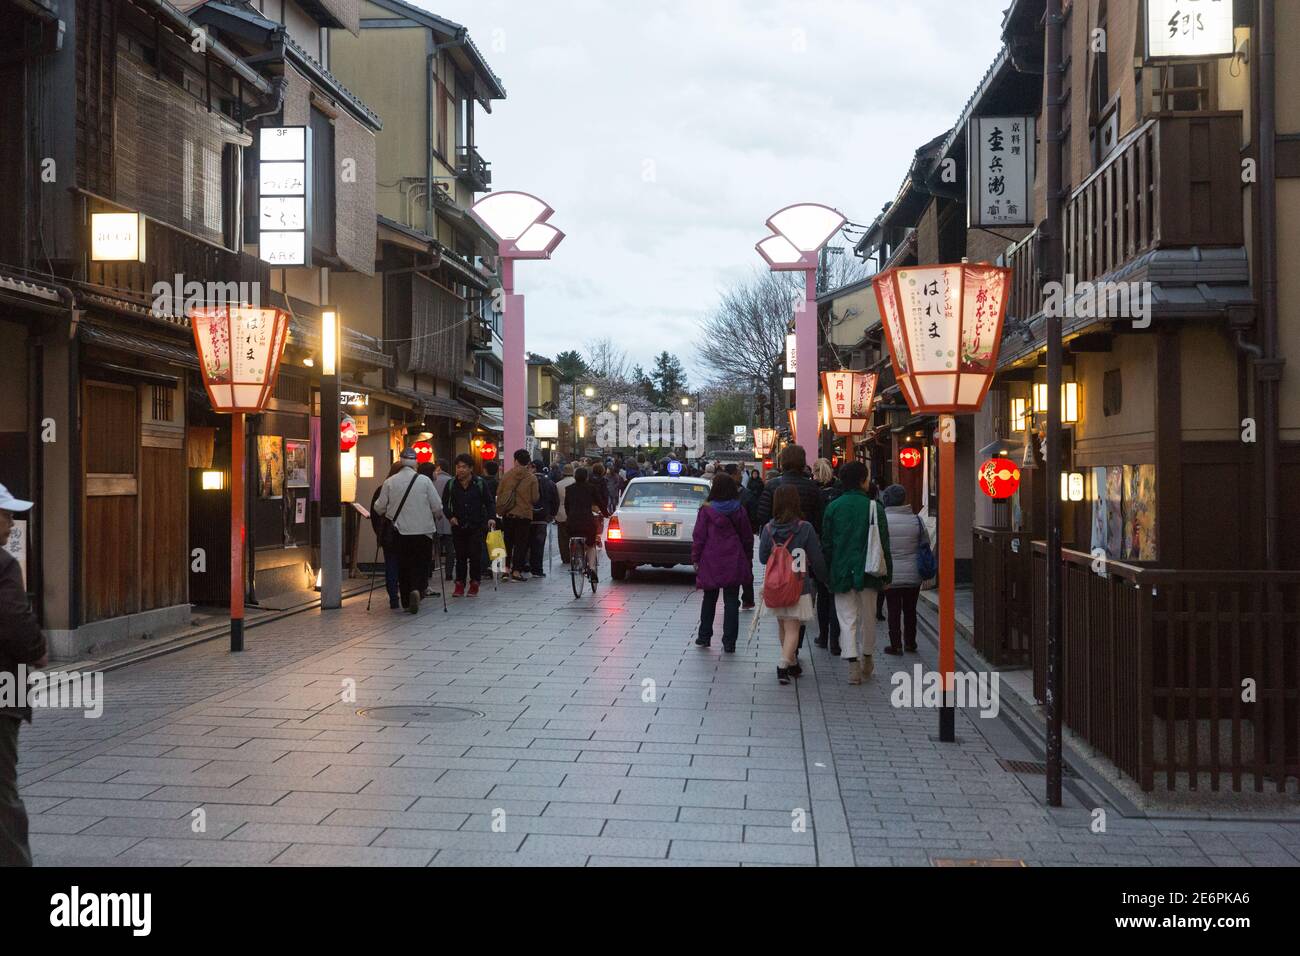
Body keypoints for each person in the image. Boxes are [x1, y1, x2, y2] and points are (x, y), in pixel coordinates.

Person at [0, 485, 46, 867]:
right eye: (6, 515)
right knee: (2, 789)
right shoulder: (2, 565)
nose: (12, 523)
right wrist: (38, 650)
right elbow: (14, 620)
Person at [821, 461, 892, 683]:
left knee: (846, 617)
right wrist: (888, 574)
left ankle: (852, 663)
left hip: (841, 570)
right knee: (868, 617)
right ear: (863, 480)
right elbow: (884, 544)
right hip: (869, 571)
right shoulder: (875, 508)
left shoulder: (833, 507)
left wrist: (827, 573)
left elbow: (827, 544)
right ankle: (868, 657)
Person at [758, 483, 827, 685]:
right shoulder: (805, 528)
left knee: (783, 624)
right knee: (793, 628)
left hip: (775, 586)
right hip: (798, 585)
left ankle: (792, 662)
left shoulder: (768, 529)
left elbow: (762, 558)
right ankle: (782, 665)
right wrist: (825, 579)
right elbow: (816, 558)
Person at [374, 449, 444, 613]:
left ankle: (406, 599)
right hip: (424, 532)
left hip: (401, 532)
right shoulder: (425, 481)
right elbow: (437, 506)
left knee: (404, 565)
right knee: (421, 563)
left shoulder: (390, 482)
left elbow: (379, 507)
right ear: (416, 463)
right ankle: (418, 589)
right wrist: (437, 516)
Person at [691, 474, 754, 653]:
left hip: (711, 559)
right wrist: (747, 558)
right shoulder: (739, 510)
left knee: (709, 598)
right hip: (733, 559)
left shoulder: (706, 510)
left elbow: (699, 537)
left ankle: (704, 636)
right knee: (732, 600)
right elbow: (747, 537)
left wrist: (695, 558)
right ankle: (729, 642)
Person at [881, 484, 927, 654]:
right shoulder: (917, 520)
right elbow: (925, 544)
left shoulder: (883, 520)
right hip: (913, 572)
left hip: (890, 573)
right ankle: (910, 642)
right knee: (910, 610)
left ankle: (896, 644)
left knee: (893, 610)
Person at [443, 453, 493, 597]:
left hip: (476, 526)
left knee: (475, 555)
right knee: (460, 556)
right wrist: (450, 517)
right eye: (458, 467)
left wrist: (491, 517)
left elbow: (489, 502)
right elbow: (445, 504)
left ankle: (474, 583)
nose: (460, 470)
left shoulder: (480, 483)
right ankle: (459, 584)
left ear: (471, 468)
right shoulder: (451, 484)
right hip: (458, 526)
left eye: (464, 467)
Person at [812, 457, 842, 655]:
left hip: (819, 547)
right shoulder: (840, 491)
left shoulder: (814, 493)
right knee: (837, 597)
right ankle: (835, 641)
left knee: (822, 595)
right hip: (839, 548)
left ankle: (823, 636)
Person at [495, 449, 539, 582]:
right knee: (521, 544)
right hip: (524, 515)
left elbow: (499, 493)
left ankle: (506, 570)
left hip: (508, 514)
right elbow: (535, 498)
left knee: (507, 542)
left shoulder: (507, 475)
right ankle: (516, 571)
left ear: (515, 460)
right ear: (528, 462)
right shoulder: (532, 478)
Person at [563, 467, 610, 587]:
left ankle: (575, 556)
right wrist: (606, 514)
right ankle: (593, 568)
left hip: (572, 523)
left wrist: (570, 517)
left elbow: (567, 506)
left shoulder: (569, 489)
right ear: (587, 477)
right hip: (587, 522)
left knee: (573, 537)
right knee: (590, 544)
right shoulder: (591, 488)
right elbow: (600, 502)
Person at [370, 460, 405, 609]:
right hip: (406, 533)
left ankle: (393, 598)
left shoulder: (381, 488)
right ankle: (406, 595)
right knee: (405, 564)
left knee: (391, 564)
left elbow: (374, 513)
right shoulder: (406, 490)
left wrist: (380, 532)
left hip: (388, 534)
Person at [529, 460, 559, 577]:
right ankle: (537, 569)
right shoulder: (550, 483)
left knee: (527, 543)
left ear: (534, 467)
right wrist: (552, 514)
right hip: (543, 517)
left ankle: (525, 566)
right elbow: (555, 501)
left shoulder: (528, 482)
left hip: (528, 516)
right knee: (539, 543)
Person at [432, 461, 456, 584]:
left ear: (439, 467)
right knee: (450, 548)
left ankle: (429, 571)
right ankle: (448, 573)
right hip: (448, 519)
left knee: (431, 546)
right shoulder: (451, 481)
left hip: (433, 518)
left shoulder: (431, 480)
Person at [555, 463, 576, 564]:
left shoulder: (558, 484)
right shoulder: (576, 483)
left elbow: (555, 500)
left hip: (561, 514)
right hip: (574, 513)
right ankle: (575, 555)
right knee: (575, 536)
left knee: (563, 538)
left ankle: (565, 557)